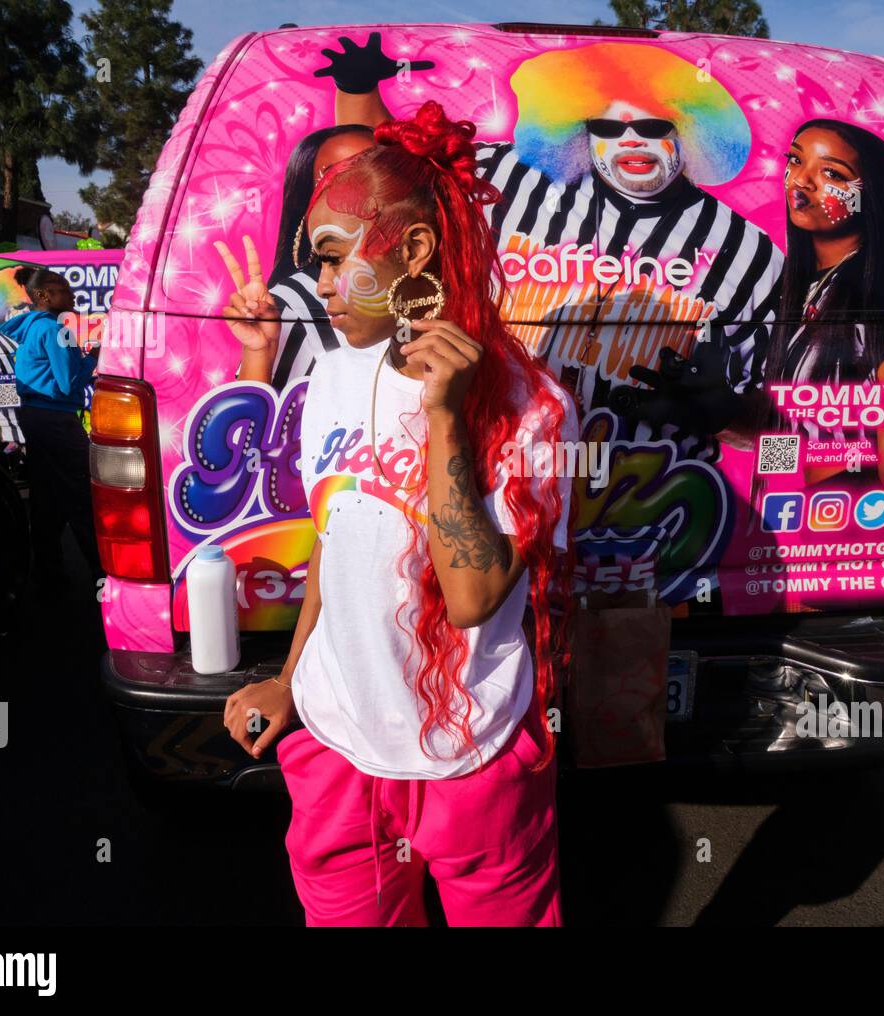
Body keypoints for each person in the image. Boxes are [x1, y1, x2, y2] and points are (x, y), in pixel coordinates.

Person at [221, 100, 578, 927]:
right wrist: (286, 679)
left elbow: (473, 598)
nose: (322, 284)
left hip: (468, 755)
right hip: (337, 752)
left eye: (336, 257)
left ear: (413, 251)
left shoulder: (531, 406)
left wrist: (448, 417)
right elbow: (335, 543)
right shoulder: (331, 381)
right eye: (316, 262)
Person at [301, 34, 782, 452]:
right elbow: (392, 169)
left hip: (665, 509)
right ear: (580, 133)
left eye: (654, 127)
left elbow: (794, 438)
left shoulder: (750, 253)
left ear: (690, 131)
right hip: (500, 471)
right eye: (609, 128)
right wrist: (357, 88)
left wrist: (727, 417)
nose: (631, 141)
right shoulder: (508, 176)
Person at [764, 119, 884, 486]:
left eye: (832, 172)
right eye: (796, 160)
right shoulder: (798, 286)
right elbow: (788, 425)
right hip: (797, 509)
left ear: (872, 196)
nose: (801, 181)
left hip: (850, 509)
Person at [228, 123, 376, 389]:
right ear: (310, 203)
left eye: (376, 172)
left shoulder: (428, 290)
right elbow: (254, 426)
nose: (362, 194)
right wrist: (260, 353)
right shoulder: (291, 304)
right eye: (337, 178)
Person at [0, 267, 102, 590]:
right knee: (83, 495)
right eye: (64, 290)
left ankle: (48, 572)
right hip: (57, 421)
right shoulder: (58, 330)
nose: (72, 296)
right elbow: (68, 382)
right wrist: (94, 356)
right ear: (43, 296)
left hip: (36, 418)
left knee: (46, 497)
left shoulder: (32, 327)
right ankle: (104, 576)